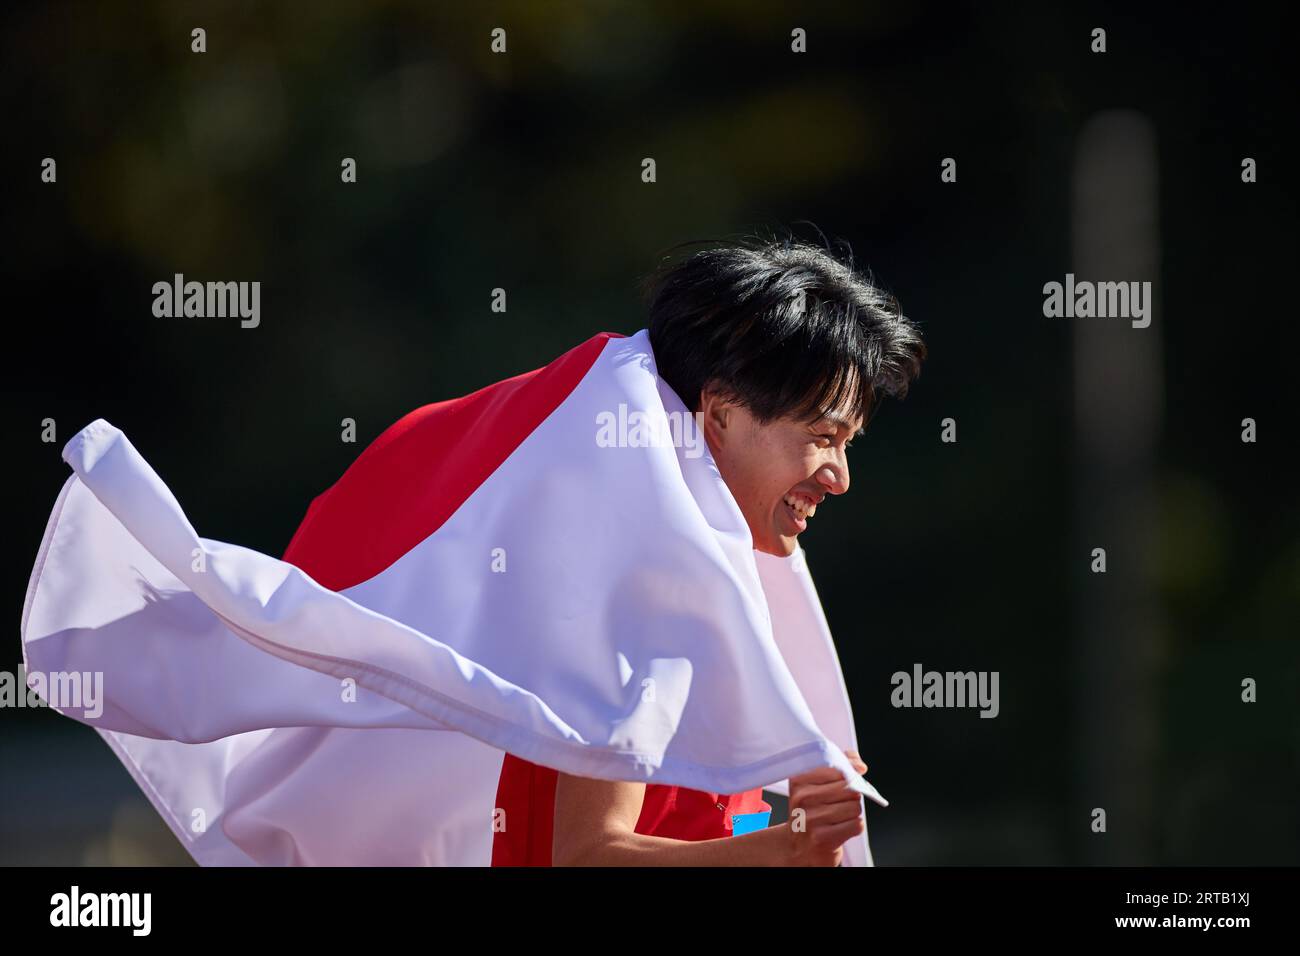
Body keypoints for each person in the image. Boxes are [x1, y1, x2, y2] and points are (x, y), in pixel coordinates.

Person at [491, 230, 927, 865]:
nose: (839, 475)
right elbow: (587, 856)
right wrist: (790, 849)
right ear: (720, 416)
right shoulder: (636, 593)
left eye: (848, 443)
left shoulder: (714, 592)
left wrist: (797, 840)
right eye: (823, 435)